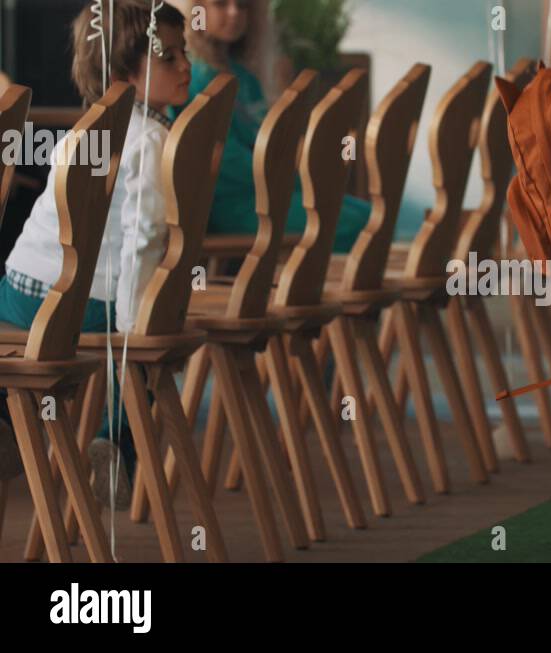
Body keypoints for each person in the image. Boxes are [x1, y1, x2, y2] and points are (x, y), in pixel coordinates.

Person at [0, 0, 191, 511]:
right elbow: (144, 237)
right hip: (88, 301)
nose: (185, 65)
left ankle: (34, 438)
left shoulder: (91, 132)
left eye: (183, 52)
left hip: (30, 292)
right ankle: (112, 441)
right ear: (122, 74)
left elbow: (139, 235)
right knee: (132, 339)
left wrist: (131, 326)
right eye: (168, 56)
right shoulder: (154, 139)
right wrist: (135, 323)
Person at [173, 0, 370, 252]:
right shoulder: (195, 76)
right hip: (230, 204)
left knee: (367, 212)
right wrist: (292, 176)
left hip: (265, 192)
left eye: (243, 5)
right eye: (221, 4)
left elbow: (268, 138)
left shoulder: (243, 77)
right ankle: (313, 288)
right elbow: (224, 158)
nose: (234, 13)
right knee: (352, 221)